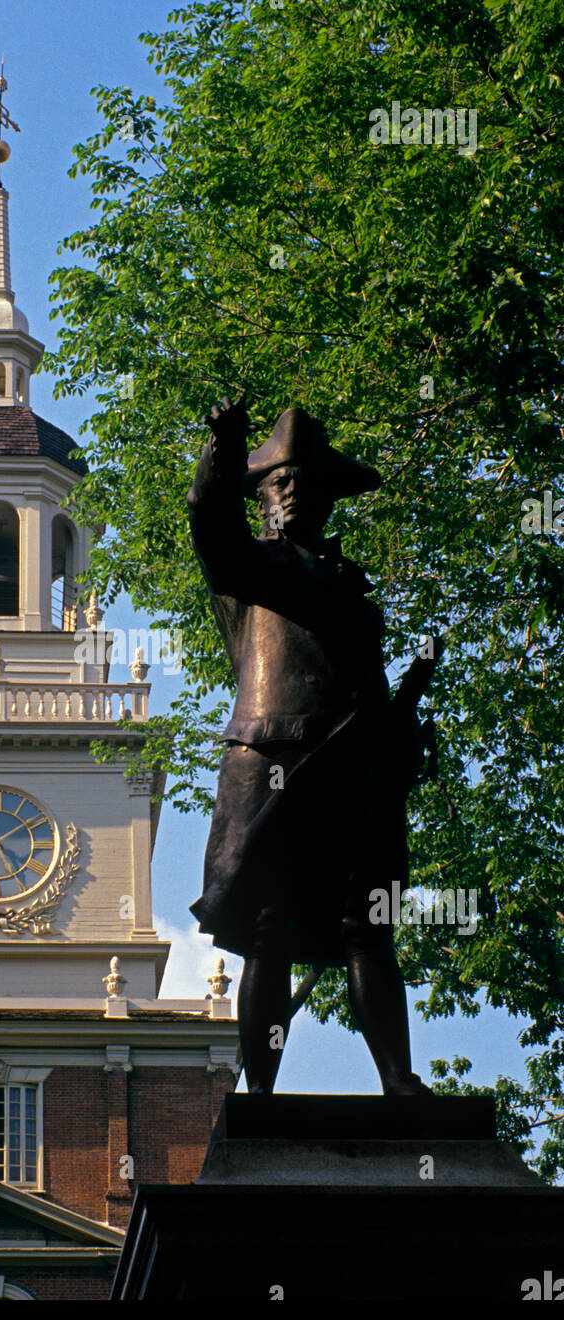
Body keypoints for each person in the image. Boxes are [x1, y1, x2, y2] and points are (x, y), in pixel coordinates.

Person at [187, 396, 431, 1096]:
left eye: (305, 483)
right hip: (272, 763)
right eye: (279, 482)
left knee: (368, 925)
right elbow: (209, 519)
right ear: (261, 496)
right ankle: (261, 1096)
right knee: (268, 930)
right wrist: (223, 447)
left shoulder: (352, 588)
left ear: (327, 498)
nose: (292, 492)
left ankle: (398, 1080)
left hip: (356, 766)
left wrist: (406, 706)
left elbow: (363, 688)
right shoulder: (247, 568)